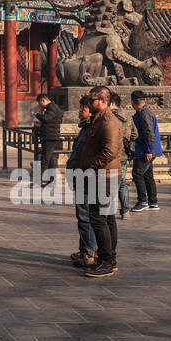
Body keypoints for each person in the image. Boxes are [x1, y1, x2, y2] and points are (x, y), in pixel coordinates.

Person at [79, 86, 121, 278]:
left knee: (98, 217)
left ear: (103, 101)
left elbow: (111, 150)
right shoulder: (98, 119)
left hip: (104, 175)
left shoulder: (108, 121)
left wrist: (90, 165)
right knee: (107, 217)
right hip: (103, 174)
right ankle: (109, 258)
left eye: (92, 100)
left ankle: (106, 261)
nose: (89, 103)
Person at [68, 94, 98, 269]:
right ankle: (86, 248)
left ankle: (89, 252)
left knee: (85, 216)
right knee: (84, 215)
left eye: (83, 109)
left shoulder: (92, 129)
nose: (80, 111)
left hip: (87, 178)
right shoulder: (86, 128)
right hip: (81, 176)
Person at [129, 90, 163, 212]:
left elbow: (149, 133)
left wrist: (149, 150)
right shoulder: (143, 112)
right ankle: (153, 202)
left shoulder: (144, 114)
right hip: (147, 149)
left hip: (145, 150)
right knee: (148, 176)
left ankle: (143, 201)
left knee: (137, 174)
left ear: (133, 102)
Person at [109, 91, 132, 218]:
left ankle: (110, 209)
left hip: (111, 154)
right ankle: (125, 211)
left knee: (110, 182)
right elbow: (135, 135)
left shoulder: (109, 117)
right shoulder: (128, 116)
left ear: (112, 103)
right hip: (124, 154)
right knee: (122, 183)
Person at [33, 92, 64, 181]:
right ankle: (52, 179)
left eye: (40, 103)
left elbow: (46, 119)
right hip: (48, 135)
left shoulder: (52, 107)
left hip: (50, 136)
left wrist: (37, 115)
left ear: (43, 100)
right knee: (49, 159)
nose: (40, 105)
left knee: (45, 159)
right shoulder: (49, 108)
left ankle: (39, 181)